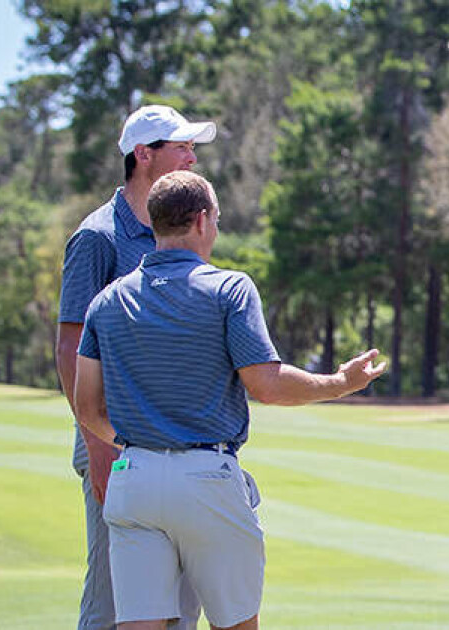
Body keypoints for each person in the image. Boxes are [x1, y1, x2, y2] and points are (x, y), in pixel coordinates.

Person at [73, 171, 386, 630]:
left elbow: (87, 408)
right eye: (216, 219)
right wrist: (339, 382)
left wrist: (135, 443)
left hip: (133, 478)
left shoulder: (105, 301)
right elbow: (265, 384)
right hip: (207, 478)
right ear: (202, 220)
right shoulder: (229, 289)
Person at [56, 104, 215, 630]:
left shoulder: (183, 232)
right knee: (114, 602)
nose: (192, 158)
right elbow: (71, 346)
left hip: (178, 443)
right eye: (181, 147)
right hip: (115, 443)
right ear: (143, 155)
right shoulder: (98, 237)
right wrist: (98, 447)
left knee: (179, 605)